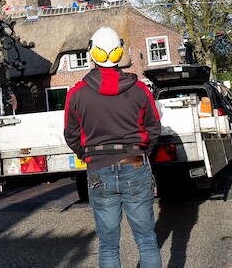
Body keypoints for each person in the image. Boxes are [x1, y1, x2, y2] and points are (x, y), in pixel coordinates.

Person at [64, 26, 162, 268]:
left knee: (108, 244)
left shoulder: (76, 94)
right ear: (119, 53)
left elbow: (71, 134)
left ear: (92, 54)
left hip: (99, 170)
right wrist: (142, 152)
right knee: (146, 240)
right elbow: (154, 128)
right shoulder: (139, 90)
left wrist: (87, 156)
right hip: (135, 165)